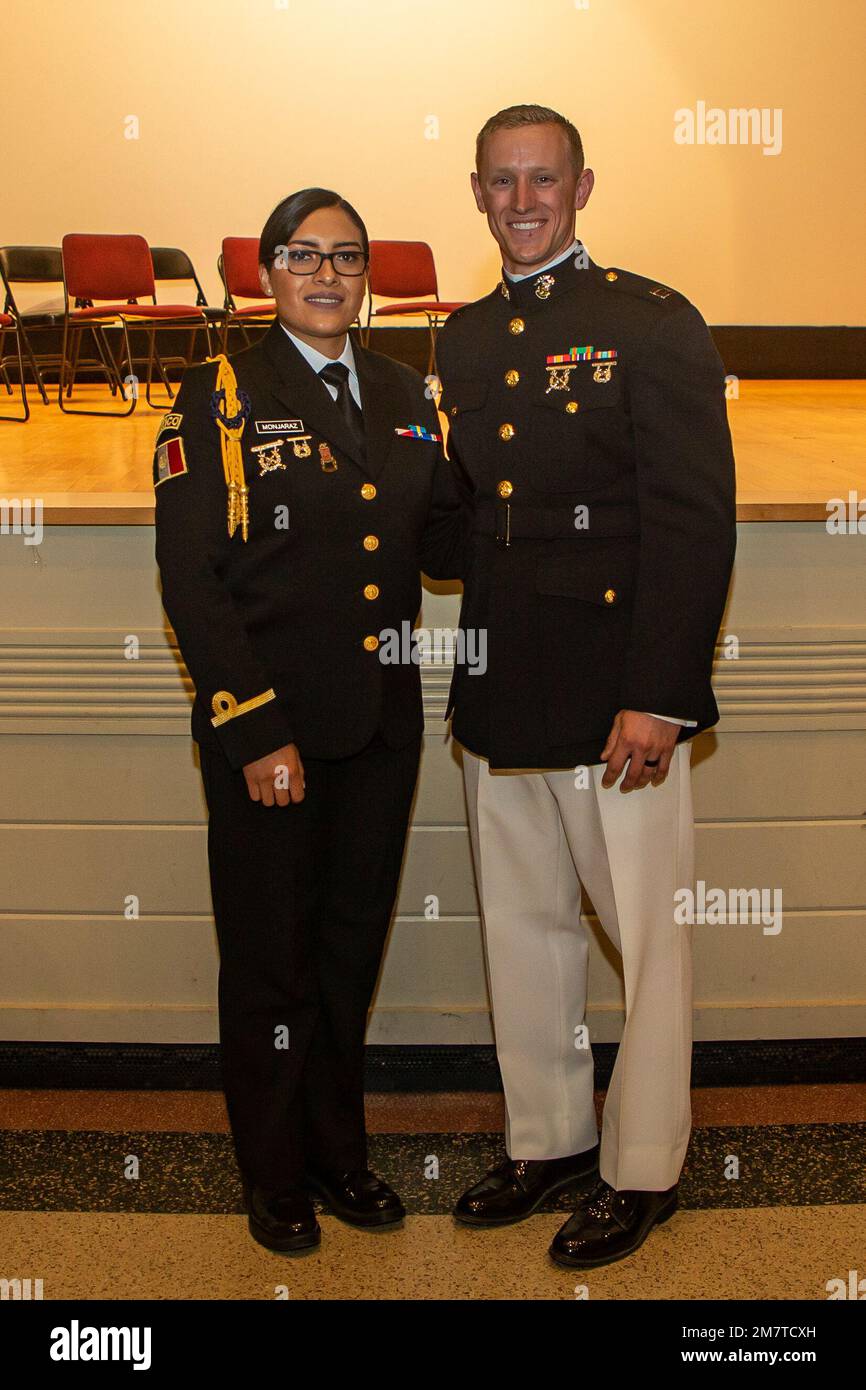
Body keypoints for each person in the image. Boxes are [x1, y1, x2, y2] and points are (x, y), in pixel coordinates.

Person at [435, 105, 737, 1268]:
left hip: (618, 699)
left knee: (648, 941)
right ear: (475, 193)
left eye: (542, 179)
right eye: (501, 181)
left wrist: (661, 693)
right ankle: (550, 1135)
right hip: (499, 683)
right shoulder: (459, 339)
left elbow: (689, 519)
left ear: (581, 186)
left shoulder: (649, 323)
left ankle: (645, 1162)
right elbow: (463, 521)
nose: (522, 201)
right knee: (521, 932)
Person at [153, 188, 467, 1253]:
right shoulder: (219, 394)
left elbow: (439, 547)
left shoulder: (402, 391)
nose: (325, 273)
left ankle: (341, 1154)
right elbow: (191, 581)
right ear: (265, 274)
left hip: (379, 725)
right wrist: (251, 728)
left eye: (345, 255)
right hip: (270, 734)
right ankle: (274, 1170)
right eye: (302, 255)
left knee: (345, 953)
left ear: (366, 273)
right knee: (270, 960)